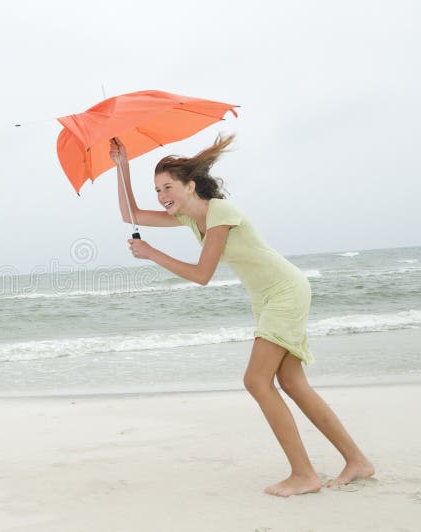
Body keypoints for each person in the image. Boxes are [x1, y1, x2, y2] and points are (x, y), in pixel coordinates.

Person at [110, 135, 374, 497]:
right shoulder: (189, 217)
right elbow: (130, 214)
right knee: (293, 384)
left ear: (190, 185)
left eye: (167, 187)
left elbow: (202, 275)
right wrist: (121, 166)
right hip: (267, 298)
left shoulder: (219, 212)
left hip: (285, 291)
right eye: (156, 189)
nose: (161, 196)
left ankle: (304, 474)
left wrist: (152, 252)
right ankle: (357, 461)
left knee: (256, 380)